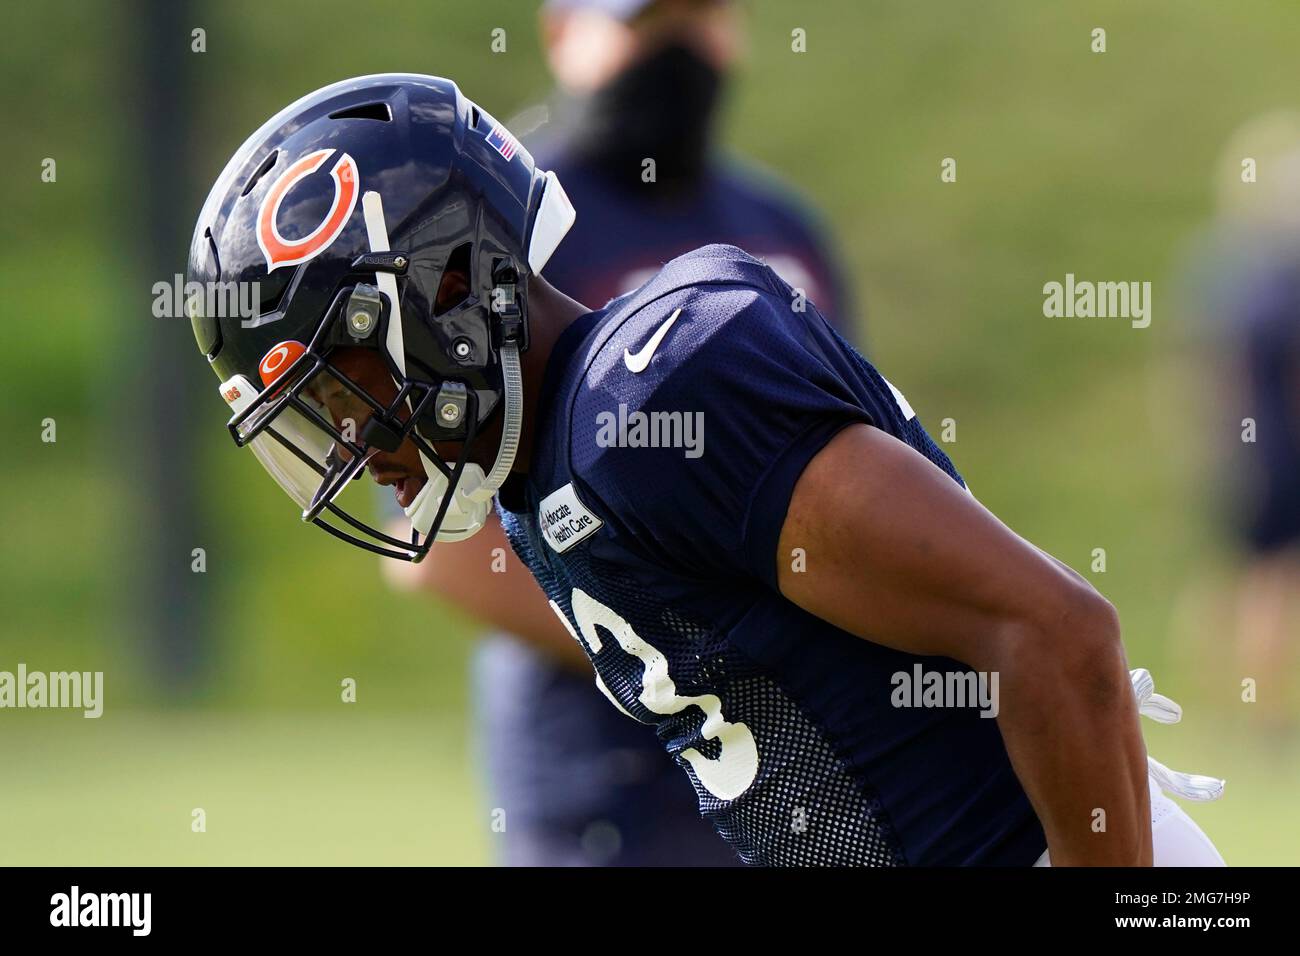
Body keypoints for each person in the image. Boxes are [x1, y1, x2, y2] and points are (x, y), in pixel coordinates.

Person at [187, 73, 1225, 865]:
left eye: (344, 387)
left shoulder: (658, 387)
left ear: (449, 283)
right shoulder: (544, 469)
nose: (357, 443)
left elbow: (1054, 629)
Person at [381, 0, 854, 865]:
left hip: (803, 767)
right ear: (564, 35)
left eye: (698, 17)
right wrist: (697, 661)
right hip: (604, 786)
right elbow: (437, 546)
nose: (678, 49)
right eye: (647, 23)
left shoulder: (783, 230)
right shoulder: (495, 238)